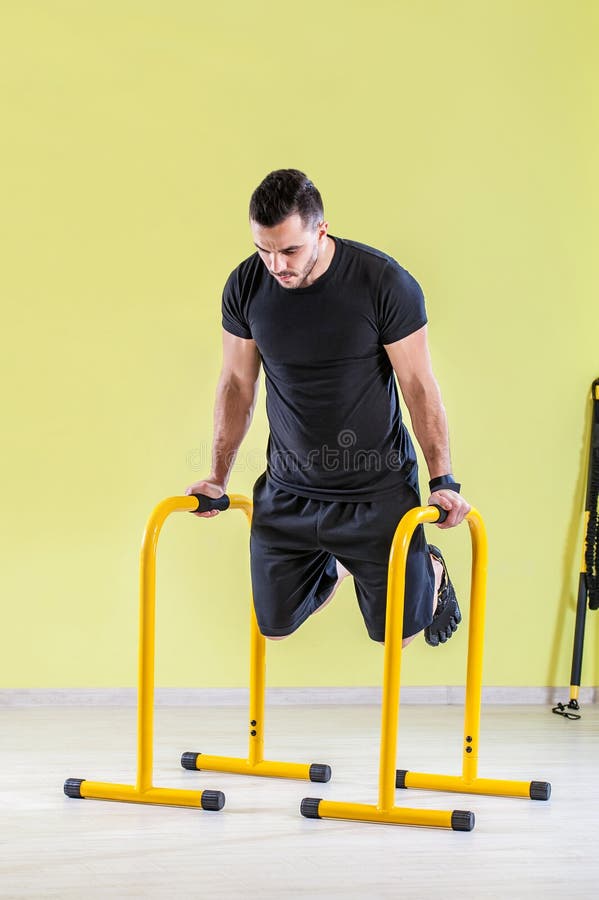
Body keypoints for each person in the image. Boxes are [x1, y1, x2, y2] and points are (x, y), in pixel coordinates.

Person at [186, 169, 471, 648]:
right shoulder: (246, 286)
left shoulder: (383, 283)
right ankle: (338, 562)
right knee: (273, 627)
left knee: (397, 638)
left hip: (375, 489)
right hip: (288, 488)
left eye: (290, 250)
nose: (276, 264)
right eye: (264, 249)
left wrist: (442, 480)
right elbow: (237, 384)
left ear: (321, 230)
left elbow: (418, 386)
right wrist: (217, 477)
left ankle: (432, 570)